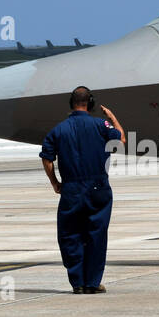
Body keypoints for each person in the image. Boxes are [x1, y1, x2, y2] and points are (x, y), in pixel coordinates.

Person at [40, 87, 124, 294]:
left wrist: (54, 182)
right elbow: (121, 140)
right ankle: (93, 283)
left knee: (70, 234)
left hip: (71, 188)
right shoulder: (100, 124)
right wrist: (112, 117)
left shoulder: (58, 130)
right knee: (96, 233)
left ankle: (77, 282)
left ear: (71, 103)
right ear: (91, 103)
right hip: (98, 187)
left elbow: (47, 158)